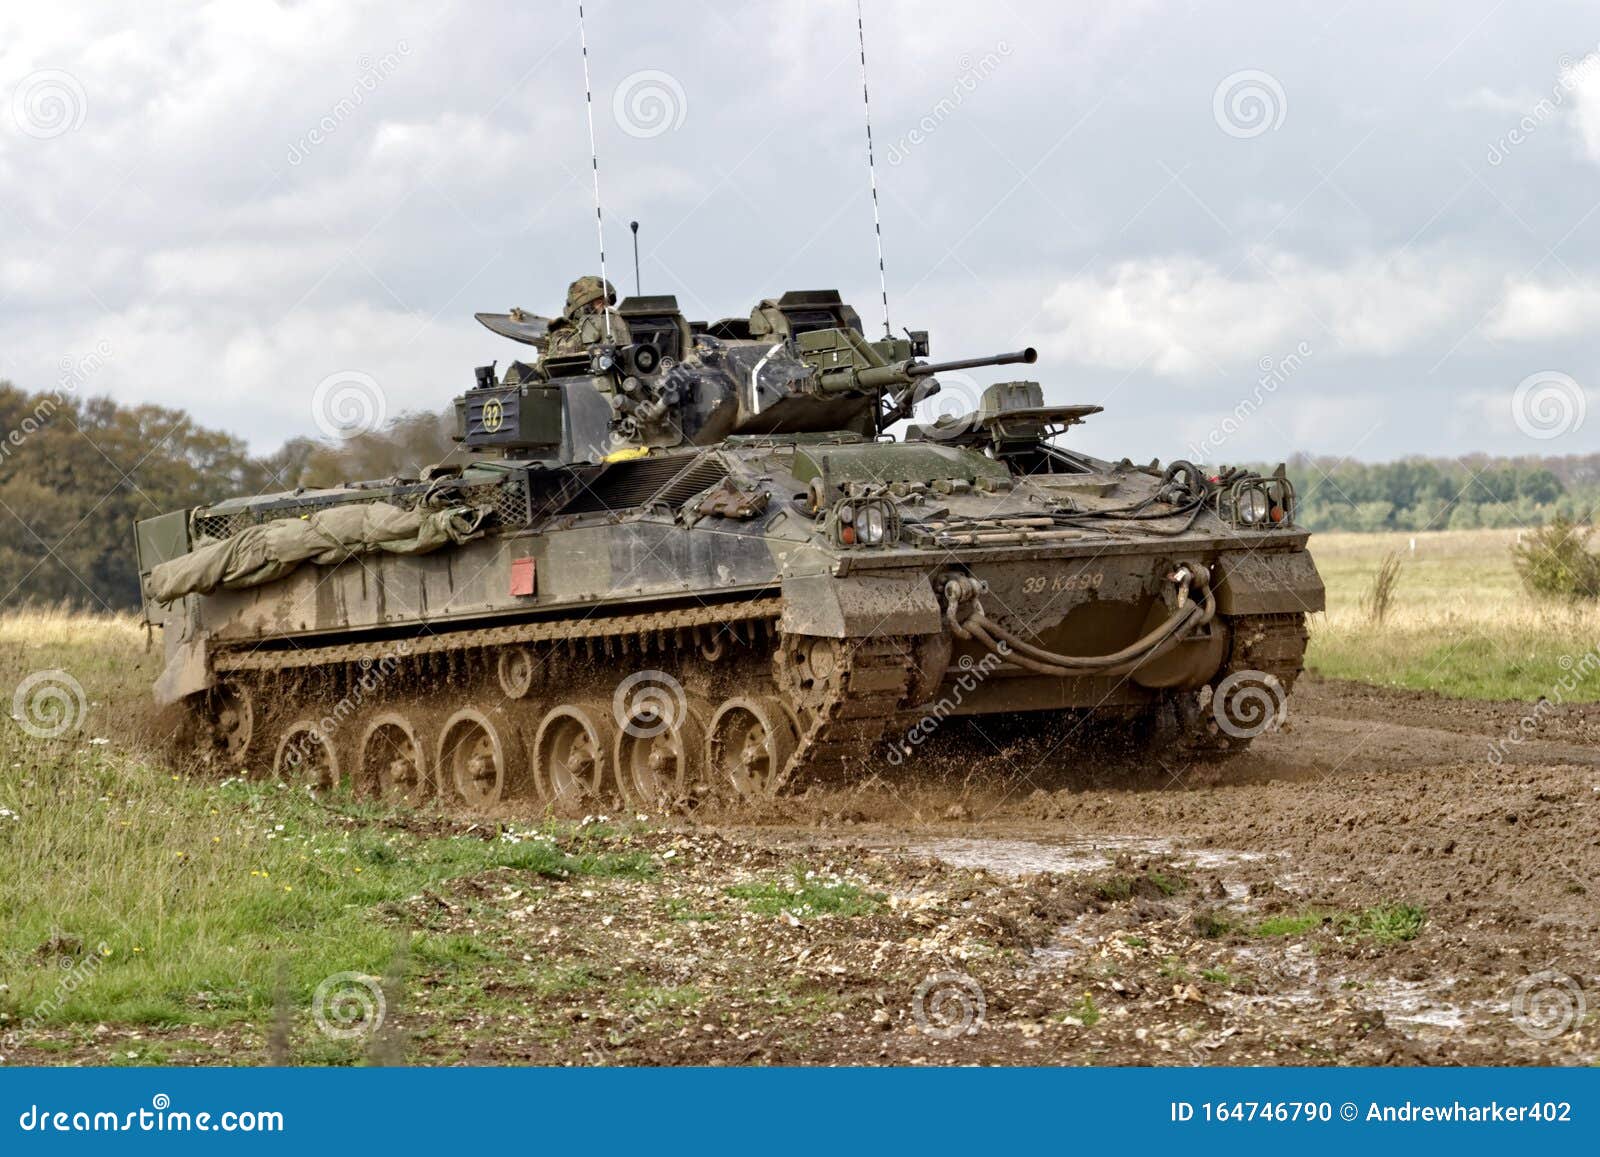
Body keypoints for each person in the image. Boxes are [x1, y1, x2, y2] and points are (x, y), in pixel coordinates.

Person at [544, 275, 627, 357]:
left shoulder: (615, 324)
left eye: (608, 303)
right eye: (600, 303)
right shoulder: (565, 332)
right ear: (583, 308)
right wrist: (596, 333)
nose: (606, 307)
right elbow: (562, 351)